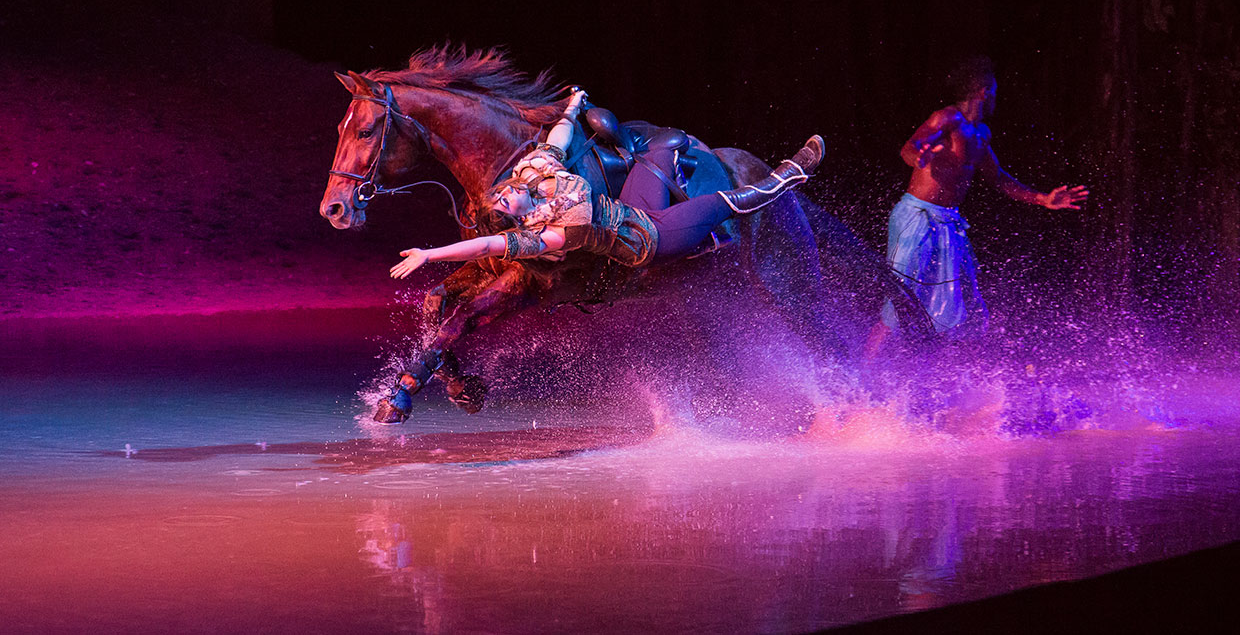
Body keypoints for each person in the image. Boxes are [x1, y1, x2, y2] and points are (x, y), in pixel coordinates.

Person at [380, 87, 825, 417]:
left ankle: (721, 189)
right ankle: (787, 178)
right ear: (515, 218)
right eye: (500, 204)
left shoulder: (533, 169)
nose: (501, 196)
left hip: (633, 206)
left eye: (500, 196)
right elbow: (489, 245)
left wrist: (573, 106)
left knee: (667, 143)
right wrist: (430, 255)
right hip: (647, 238)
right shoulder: (550, 234)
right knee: (718, 206)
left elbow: (556, 138)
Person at [868, 56, 1088, 351]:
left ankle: (928, 376)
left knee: (954, 306)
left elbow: (998, 178)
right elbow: (909, 148)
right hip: (916, 217)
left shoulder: (981, 134)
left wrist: (1043, 199)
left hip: (948, 223)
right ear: (983, 90)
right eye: (994, 88)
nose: (997, 95)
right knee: (900, 299)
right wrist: (919, 157)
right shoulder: (946, 119)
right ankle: (863, 374)